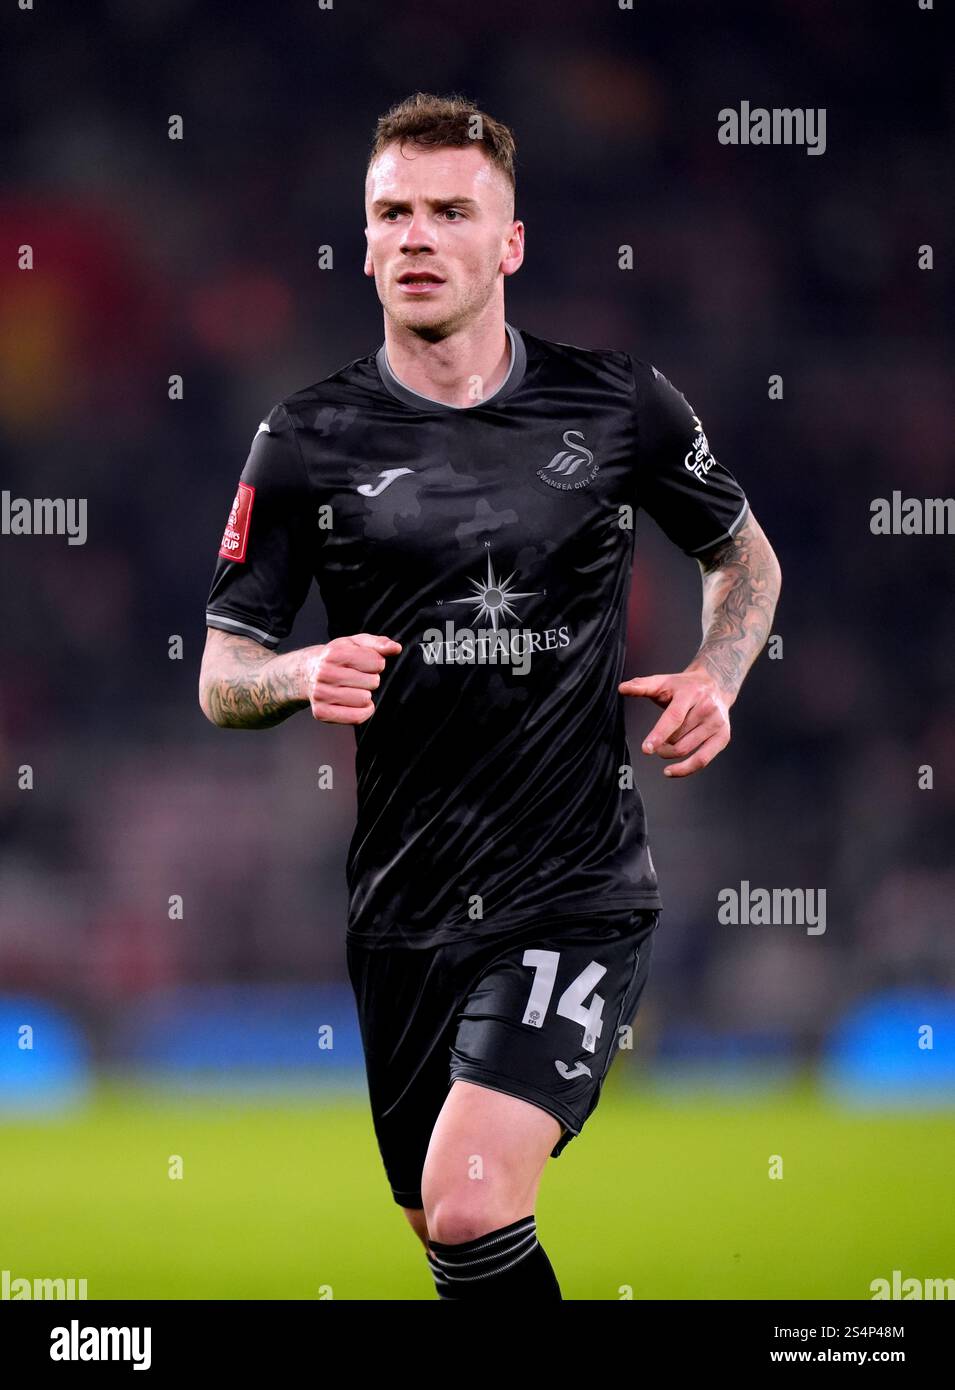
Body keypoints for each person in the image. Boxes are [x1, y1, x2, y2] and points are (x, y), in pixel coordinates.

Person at [198, 91, 782, 1300]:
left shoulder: (617, 404)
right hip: (402, 906)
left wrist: (718, 675)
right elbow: (222, 675)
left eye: (450, 212)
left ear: (509, 243)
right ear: (364, 242)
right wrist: (298, 673)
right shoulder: (305, 437)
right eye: (391, 213)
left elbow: (742, 556)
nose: (416, 235)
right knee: (444, 1229)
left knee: (470, 1205)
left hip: (572, 887)